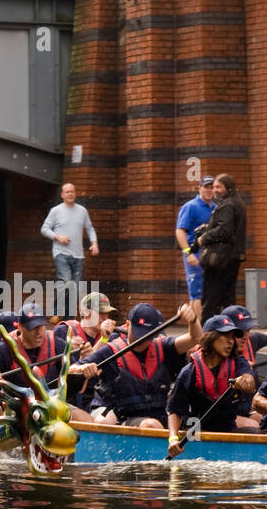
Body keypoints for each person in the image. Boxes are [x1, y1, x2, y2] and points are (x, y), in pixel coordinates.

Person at [74, 303, 200, 429]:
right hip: (121, 416)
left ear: (155, 333)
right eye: (137, 334)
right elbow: (71, 370)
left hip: (157, 415)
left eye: (147, 336)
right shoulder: (111, 351)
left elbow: (196, 338)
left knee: (181, 423)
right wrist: (81, 368)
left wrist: (192, 320)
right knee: (149, 425)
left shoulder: (164, 347)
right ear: (127, 325)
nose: (141, 341)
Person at [0, 302, 93, 422]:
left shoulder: (57, 345)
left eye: (41, 326)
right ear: (19, 327)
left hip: (51, 404)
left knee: (86, 419)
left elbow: (73, 377)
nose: (38, 332)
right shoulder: (2, 350)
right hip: (17, 409)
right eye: (33, 328)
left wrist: (82, 367)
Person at [165, 314, 258, 456]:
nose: (230, 341)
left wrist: (246, 380)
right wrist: (173, 439)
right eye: (225, 335)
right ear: (210, 337)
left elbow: (250, 380)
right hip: (195, 432)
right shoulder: (190, 372)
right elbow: (175, 411)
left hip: (226, 429)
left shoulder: (238, 362)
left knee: (257, 433)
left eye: (232, 336)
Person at [40, 183, 98, 318]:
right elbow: (44, 229)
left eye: (72, 191)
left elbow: (89, 228)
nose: (70, 194)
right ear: (62, 195)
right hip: (61, 253)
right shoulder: (56, 211)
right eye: (67, 192)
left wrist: (94, 244)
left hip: (78, 255)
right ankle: (57, 311)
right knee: (65, 281)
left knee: (74, 288)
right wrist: (57, 237)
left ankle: (68, 318)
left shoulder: (82, 211)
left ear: (75, 193)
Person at [195, 174, 247, 320]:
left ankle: (208, 332)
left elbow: (224, 230)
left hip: (220, 258)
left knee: (211, 296)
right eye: (213, 187)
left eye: (218, 187)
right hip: (232, 257)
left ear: (227, 188)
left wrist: (204, 237)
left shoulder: (228, 205)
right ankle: (229, 327)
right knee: (228, 297)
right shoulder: (237, 203)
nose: (215, 190)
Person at [175, 177, 217, 319]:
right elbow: (180, 231)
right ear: (199, 188)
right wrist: (188, 253)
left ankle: (195, 330)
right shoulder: (190, 206)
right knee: (197, 294)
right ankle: (201, 332)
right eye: (206, 187)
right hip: (195, 255)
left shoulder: (215, 208)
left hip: (210, 256)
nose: (209, 190)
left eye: (212, 187)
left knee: (202, 294)